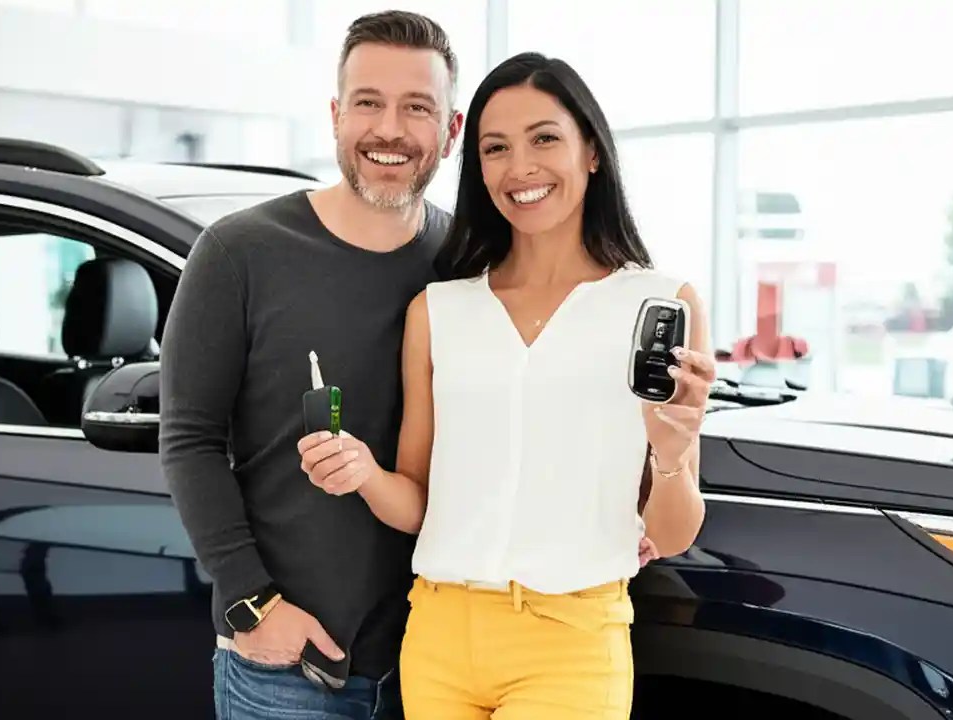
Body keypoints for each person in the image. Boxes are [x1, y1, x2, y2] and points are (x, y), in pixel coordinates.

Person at [297, 51, 713, 719]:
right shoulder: (438, 311)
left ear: (593, 152)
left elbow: (670, 532)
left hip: (571, 642)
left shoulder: (660, 304)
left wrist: (671, 451)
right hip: (438, 634)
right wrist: (363, 473)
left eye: (544, 138)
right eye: (495, 148)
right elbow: (418, 504)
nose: (520, 167)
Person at [158, 10, 464, 720]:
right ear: (335, 115)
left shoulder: (465, 263)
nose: (389, 129)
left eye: (417, 107)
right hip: (288, 671)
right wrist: (253, 605)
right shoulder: (239, 253)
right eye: (368, 102)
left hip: (437, 667)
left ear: (449, 130)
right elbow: (189, 440)